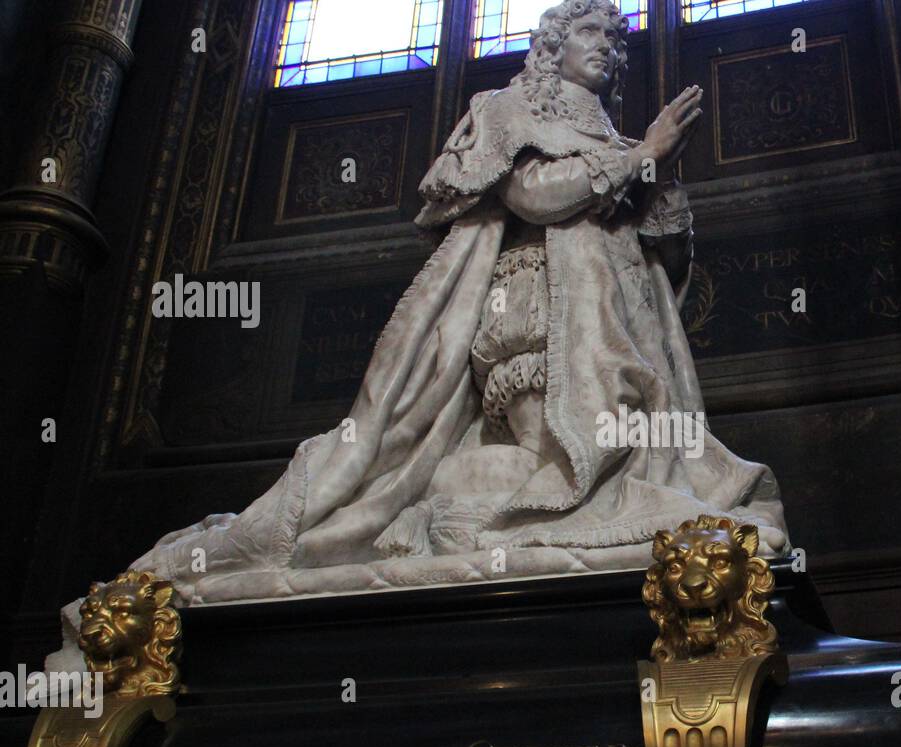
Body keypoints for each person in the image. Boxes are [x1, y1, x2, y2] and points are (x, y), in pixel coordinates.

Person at [50, 0, 787, 656]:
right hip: (537, 309)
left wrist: (654, 166)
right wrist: (641, 156)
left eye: (616, 41)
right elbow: (534, 195)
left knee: (623, 428)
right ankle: (481, 519)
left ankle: (524, 517)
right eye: (592, 31)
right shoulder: (508, 110)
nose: (608, 47)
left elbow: (662, 245)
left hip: (614, 311)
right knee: (554, 444)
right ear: (555, 43)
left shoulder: (614, 131)